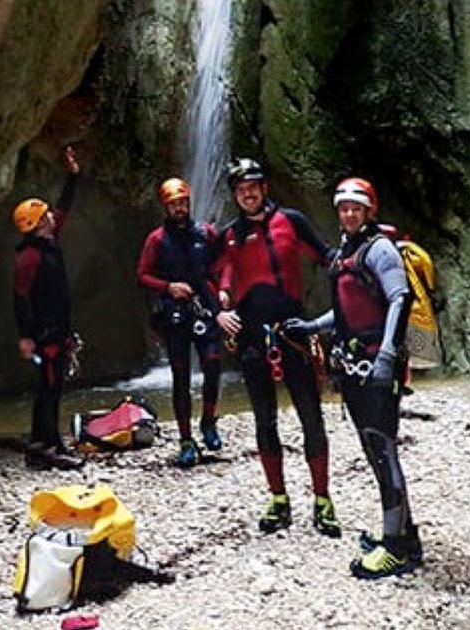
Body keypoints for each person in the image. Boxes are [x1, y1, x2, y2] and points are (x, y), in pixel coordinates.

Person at [283, 176, 424, 578]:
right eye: (343, 208)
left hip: (376, 367)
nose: (348, 214)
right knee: (377, 450)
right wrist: (312, 327)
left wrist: (386, 356)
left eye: (356, 208)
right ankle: (404, 535)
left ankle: (394, 547)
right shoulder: (349, 250)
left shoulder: (379, 249)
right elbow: (347, 312)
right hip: (356, 366)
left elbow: (400, 298)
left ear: (369, 211)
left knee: (382, 452)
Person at [213, 157, 340, 537]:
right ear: (235, 195)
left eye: (252, 185)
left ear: (264, 187)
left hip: (293, 334)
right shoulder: (230, 236)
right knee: (264, 419)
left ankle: (322, 499)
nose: (247, 193)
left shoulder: (292, 221)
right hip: (252, 337)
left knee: (310, 416)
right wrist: (217, 313)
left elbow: (328, 257)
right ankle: (279, 499)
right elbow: (200, 274)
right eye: (240, 189)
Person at [136, 177, 225, 468]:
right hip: (174, 311)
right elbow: (142, 275)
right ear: (166, 206)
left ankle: (209, 421)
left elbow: (225, 263)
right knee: (181, 374)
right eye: (173, 204)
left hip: (205, 308)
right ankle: (186, 438)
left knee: (212, 363)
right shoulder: (157, 239)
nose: (179, 208)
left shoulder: (207, 233)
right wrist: (168, 286)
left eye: (183, 202)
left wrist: (223, 289)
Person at [12, 146, 86, 471]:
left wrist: (73, 175)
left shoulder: (48, 241)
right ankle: (51, 445)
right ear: (36, 224)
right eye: (45, 216)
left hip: (57, 328)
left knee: (50, 387)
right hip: (44, 333)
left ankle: (40, 444)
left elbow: (64, 207)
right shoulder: (29, 257)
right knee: (49, 387)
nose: (52, 216)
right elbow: (21, 298)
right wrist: (26, 337)